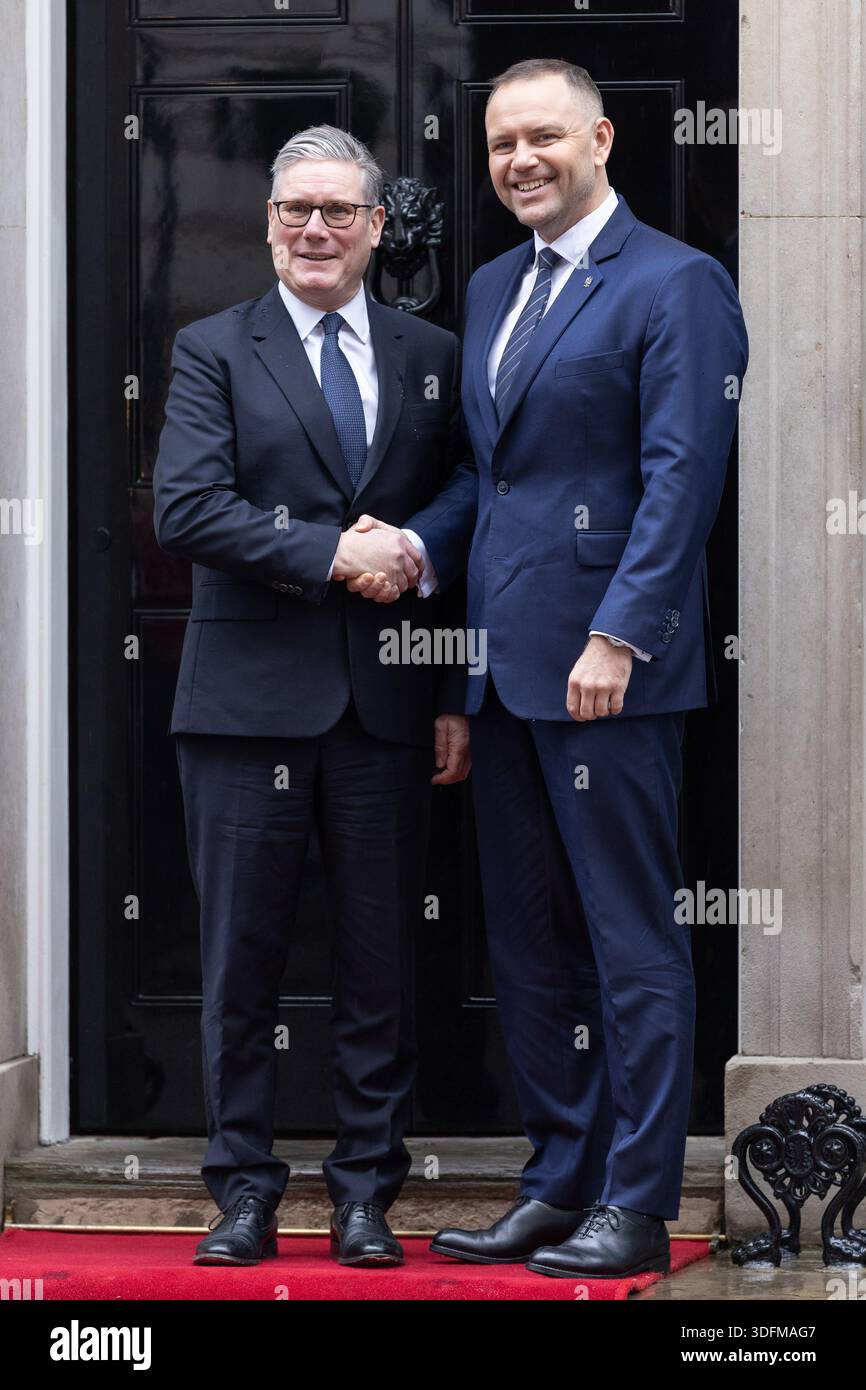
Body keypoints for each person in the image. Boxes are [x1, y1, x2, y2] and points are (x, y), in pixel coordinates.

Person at [353, 58, 748, 1279]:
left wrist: (618, 635)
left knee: (629, 939)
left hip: (608, 676)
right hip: (505, 679)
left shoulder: (677, 285)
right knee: (526, 944)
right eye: (500, 144)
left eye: (542, 137)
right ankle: (555, 1179)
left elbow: (683, 480)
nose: (520, 160)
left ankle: (633, 1200)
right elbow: (496, 484)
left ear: (601, 138)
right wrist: (421, 561)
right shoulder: (491, 287)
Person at [153, 124, 470, 1268]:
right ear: (270, 223)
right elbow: (185, 508)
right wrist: (332, 552)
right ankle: (240, 1189)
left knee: (380, 963)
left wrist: (444, 672)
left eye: (339, 211)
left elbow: (463, 496)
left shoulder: (430, 350)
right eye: (296, 211)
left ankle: (363, 1194)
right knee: (239, 963)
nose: (315, 230)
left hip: (386, 708)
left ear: (376, 227)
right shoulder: (211, 350)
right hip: (244, 710)